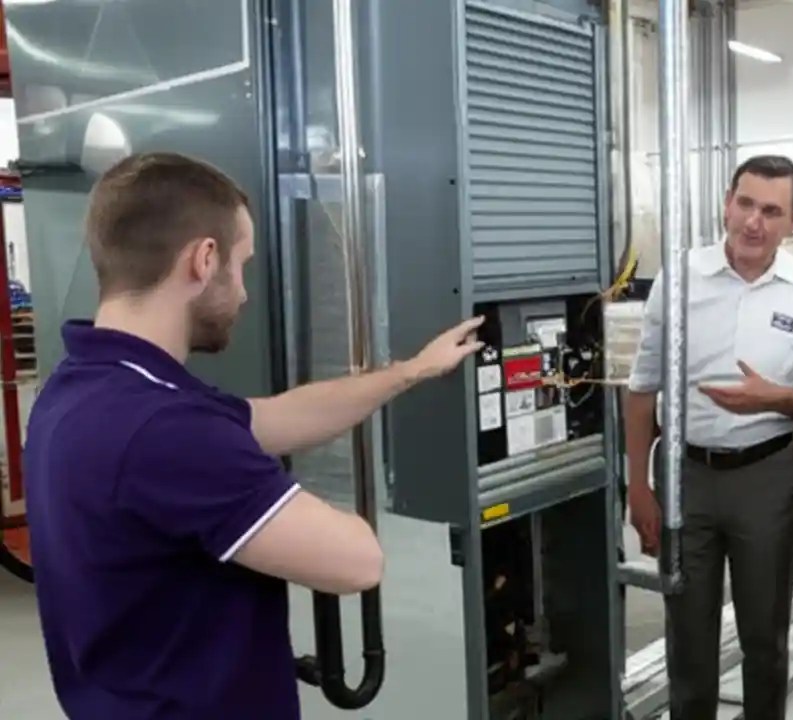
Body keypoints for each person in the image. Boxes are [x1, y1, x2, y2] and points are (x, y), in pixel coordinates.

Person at [23, 152, 484, 720]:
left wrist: (411, 370)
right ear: (204, 259)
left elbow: (275, 418)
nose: (242, 293)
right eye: (241, 265)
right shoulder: (164, 430)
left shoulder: (85, 386)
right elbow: (357, 561)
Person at [626, 155, 793, 719]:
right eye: (745, 204)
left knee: (764, 635)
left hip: (767, 476)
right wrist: (638, 487)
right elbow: (642, 387)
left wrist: (772, 399)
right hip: (685, 473)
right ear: (727, 202)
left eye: (772, 211)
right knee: (688, 636)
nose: (753, 222)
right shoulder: (679, 279)